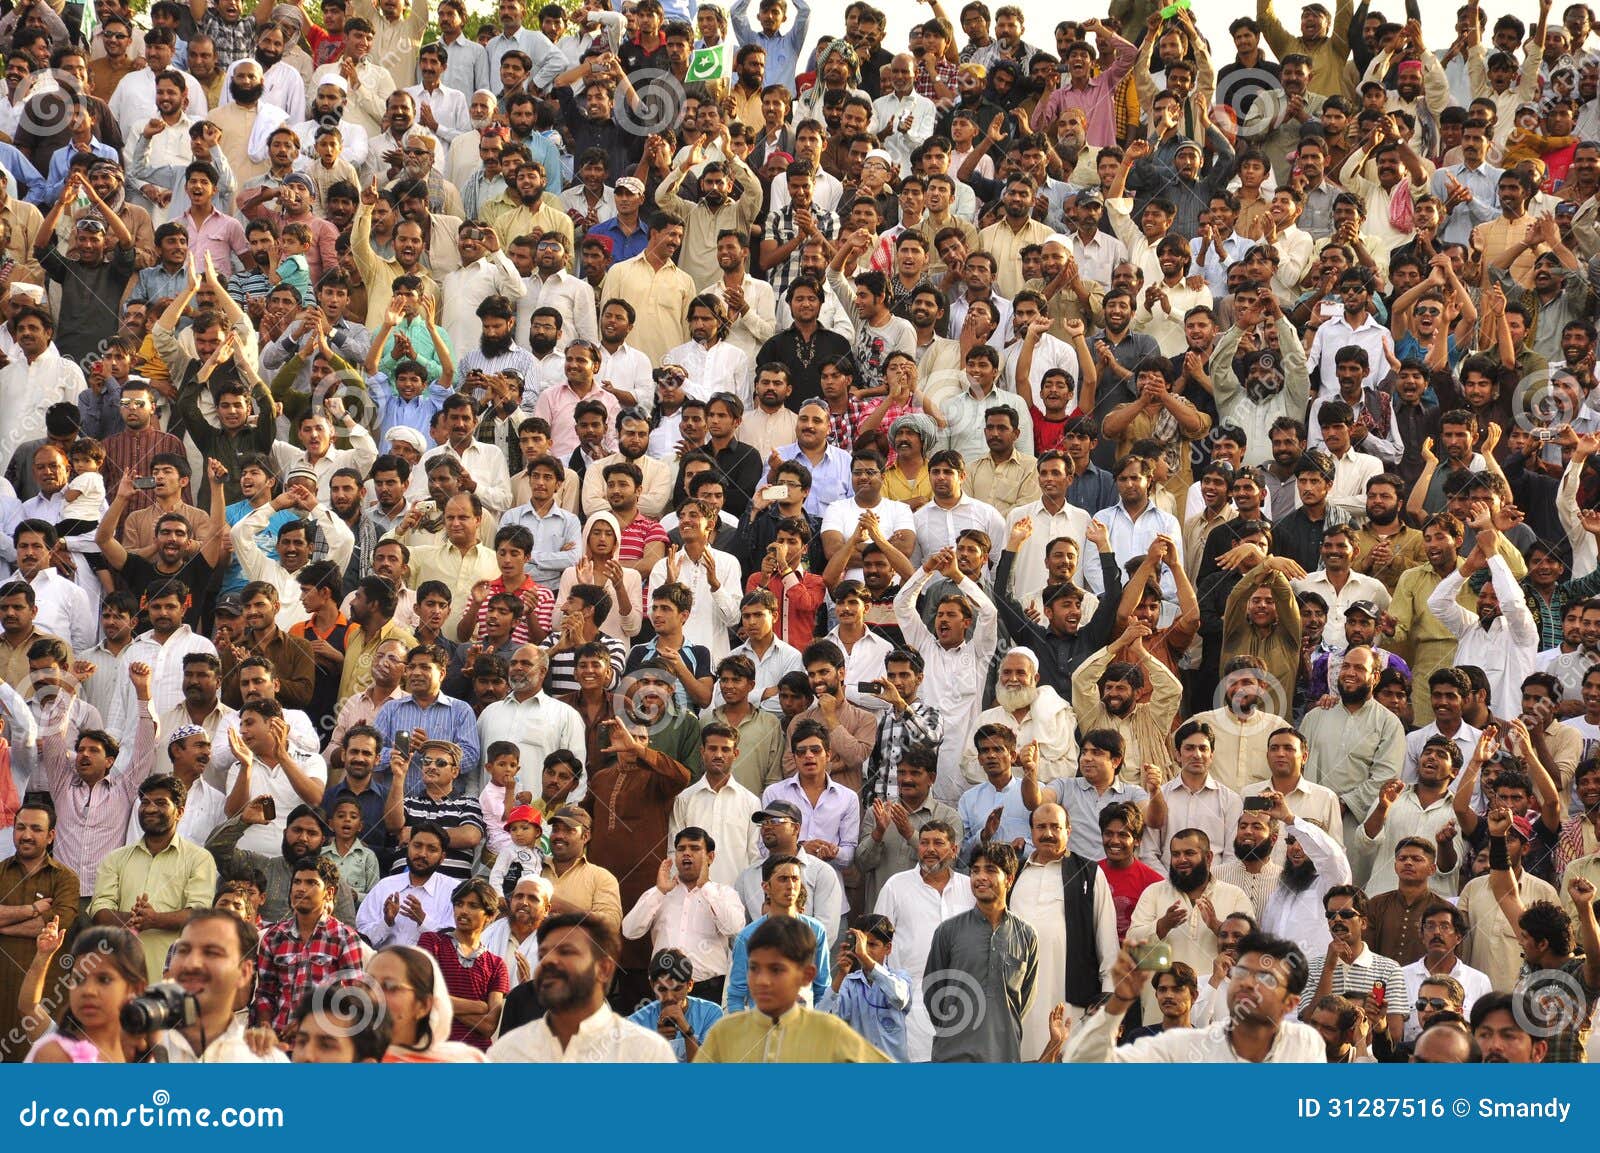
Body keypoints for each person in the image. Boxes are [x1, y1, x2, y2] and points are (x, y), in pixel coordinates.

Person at [1064, 932, 1324, 1062]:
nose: (1247, 982)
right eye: (1242, 972)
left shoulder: (1305, 1043)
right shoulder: (1187, 1047)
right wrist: (1119, 1002)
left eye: (1265, 978)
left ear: (1290, 1003)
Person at [696, 914, 889, 1063]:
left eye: (776, 970)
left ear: (806, 975)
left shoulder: (830, 1032)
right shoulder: (724, 1033)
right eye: (754, 968)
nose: (762, 980)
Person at [487, 913, 675, 1062]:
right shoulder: (508, 1050)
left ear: (604, 969)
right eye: (543, 954)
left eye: (566, 952)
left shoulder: (647, 1052)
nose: (549, 961)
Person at [924, 840, 1038, 1062]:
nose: (980, 877)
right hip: (952, 1057)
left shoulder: (1026, 935)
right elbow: (933, 991)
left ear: (1010, 879)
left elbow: (1024, 1000)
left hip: (1004, 1056)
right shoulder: (948, 931)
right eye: (975, 871)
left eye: (991, 870)